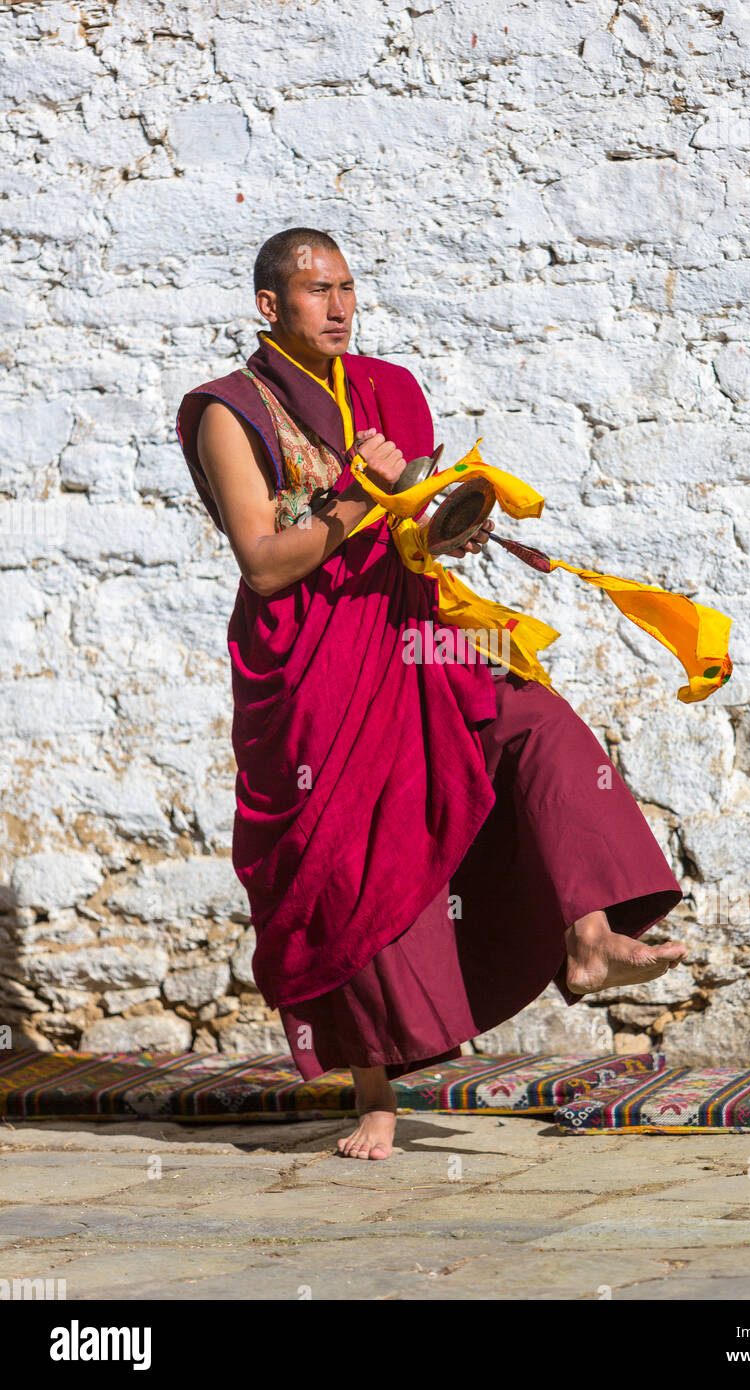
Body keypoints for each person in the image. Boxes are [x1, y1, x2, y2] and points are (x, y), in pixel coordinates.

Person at [176, 227, 688, 1161]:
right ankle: (375, 1093)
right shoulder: (228, 412)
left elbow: (420, 522)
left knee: (538, 722)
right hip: (309, 657)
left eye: (346, 288)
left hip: (413, 624)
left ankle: (588, 934)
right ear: (268, 306)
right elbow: (262, 563)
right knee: (355, 854)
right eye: (315, 291)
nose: (338, 306)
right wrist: (356, 498)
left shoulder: (390, 389)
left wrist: (449, 516)